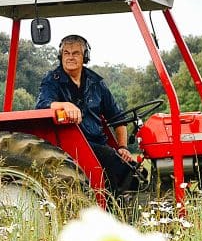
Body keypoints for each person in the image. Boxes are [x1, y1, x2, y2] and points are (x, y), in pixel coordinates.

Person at [35, 34, 138, 193]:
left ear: (85, 57)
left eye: (76, 53)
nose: (70, 57)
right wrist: (64, 105)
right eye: (66, 53)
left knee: (134, 169)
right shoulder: (52, 80)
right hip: (69, 143)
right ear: (61, 56)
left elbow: (118, 118)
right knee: (108, 156)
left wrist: (123, 147)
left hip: (97, 142)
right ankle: (110, 203)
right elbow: (42, 105)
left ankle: (134, 201)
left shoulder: (96, 83)